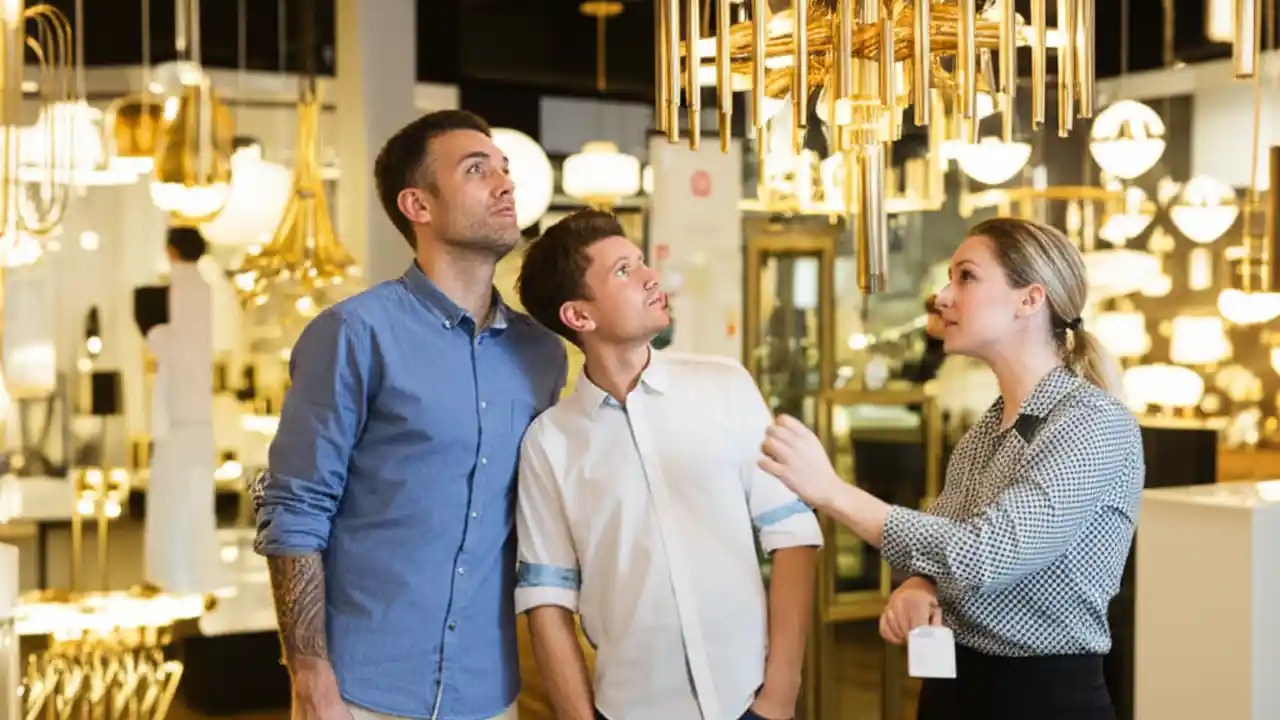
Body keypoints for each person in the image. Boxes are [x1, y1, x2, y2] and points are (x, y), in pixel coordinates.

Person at [759, 217, 1143, 720]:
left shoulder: (1094, 422)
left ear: (1029, 300)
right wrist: (922, 584)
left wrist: (834, 493)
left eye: (966, 277)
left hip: (1042, 702)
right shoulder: (990, 428)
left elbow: (985, 554)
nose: (942, 297)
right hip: (954, 695)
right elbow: (948, 539)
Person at [253, 110, 567, 720]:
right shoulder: (351, 335)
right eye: (478, 170)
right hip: (364, 693)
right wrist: (311, 676)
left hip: (489, 693)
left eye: (505, 169)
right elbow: (295, 510)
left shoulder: (542, 354)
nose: (506, 184)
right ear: (417, 205)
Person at [513, 209, 822, 720]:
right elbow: (547, 597)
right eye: (622, 272)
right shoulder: (549, 443)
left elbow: (791, 534)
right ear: (579, 316)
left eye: (639, 262)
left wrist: (781, 693)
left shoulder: (725, 385)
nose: (649, 277)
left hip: (750, 699)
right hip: (632, 707)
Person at [144, 226, 221, 594]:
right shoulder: (205, 290)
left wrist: (153, 336)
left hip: (179, 414)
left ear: (171, 251)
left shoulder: (177, 289)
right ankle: (192, 576)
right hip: (199, 414)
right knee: (195, 499)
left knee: (172, 499)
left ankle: (173, 578)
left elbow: (171, 347)